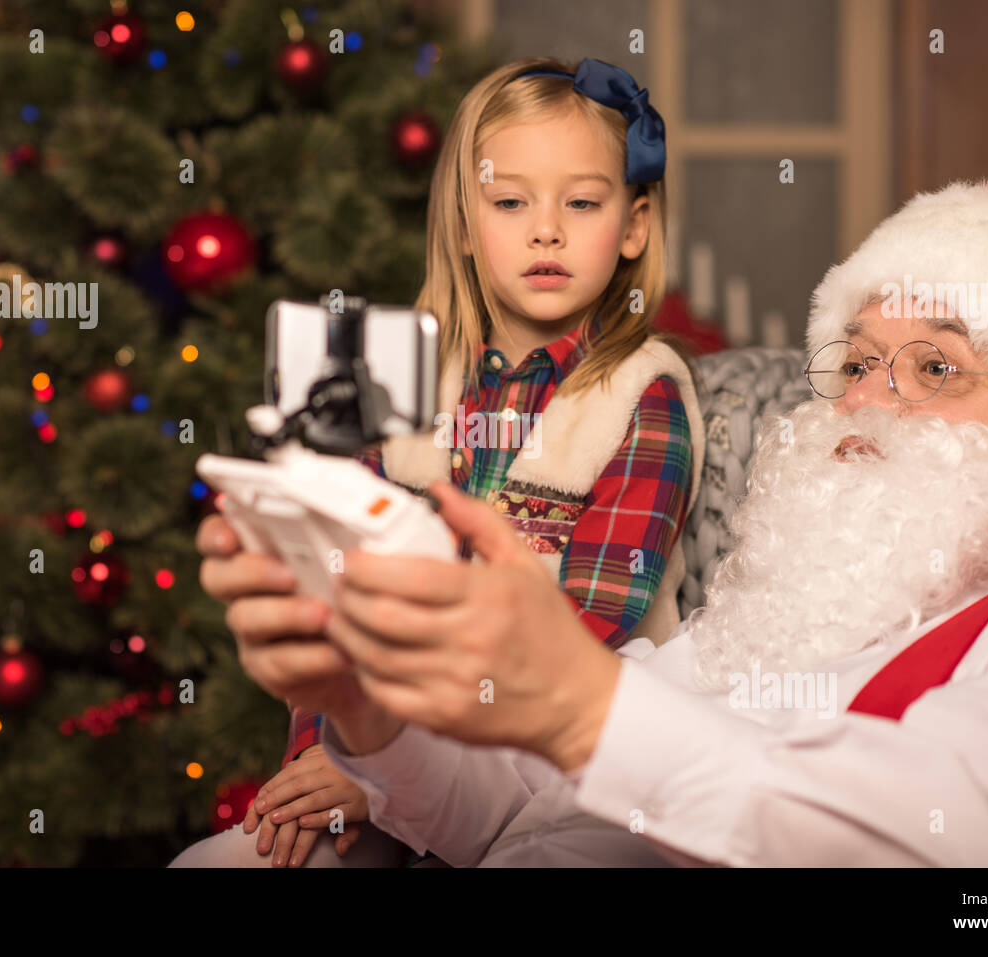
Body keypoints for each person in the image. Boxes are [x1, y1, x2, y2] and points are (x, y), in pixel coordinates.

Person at [206, 152, 988, 866]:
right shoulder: (810, 594)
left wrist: (582, 708)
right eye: (855, 362)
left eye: (936, 367)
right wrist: (365, 703)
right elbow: (504, 800)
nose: (865, 401)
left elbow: (961, 840)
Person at [170, 57, 705, 867]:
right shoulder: (407, 390)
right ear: (463, 222)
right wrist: (331, 750)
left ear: (633, 227)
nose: (546, 230)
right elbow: (338, 590)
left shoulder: (643, 393)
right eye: (511, 201)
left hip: (554, 753)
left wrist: (391, 765)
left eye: (583, 202)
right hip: (388, 732)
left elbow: (585, 628)